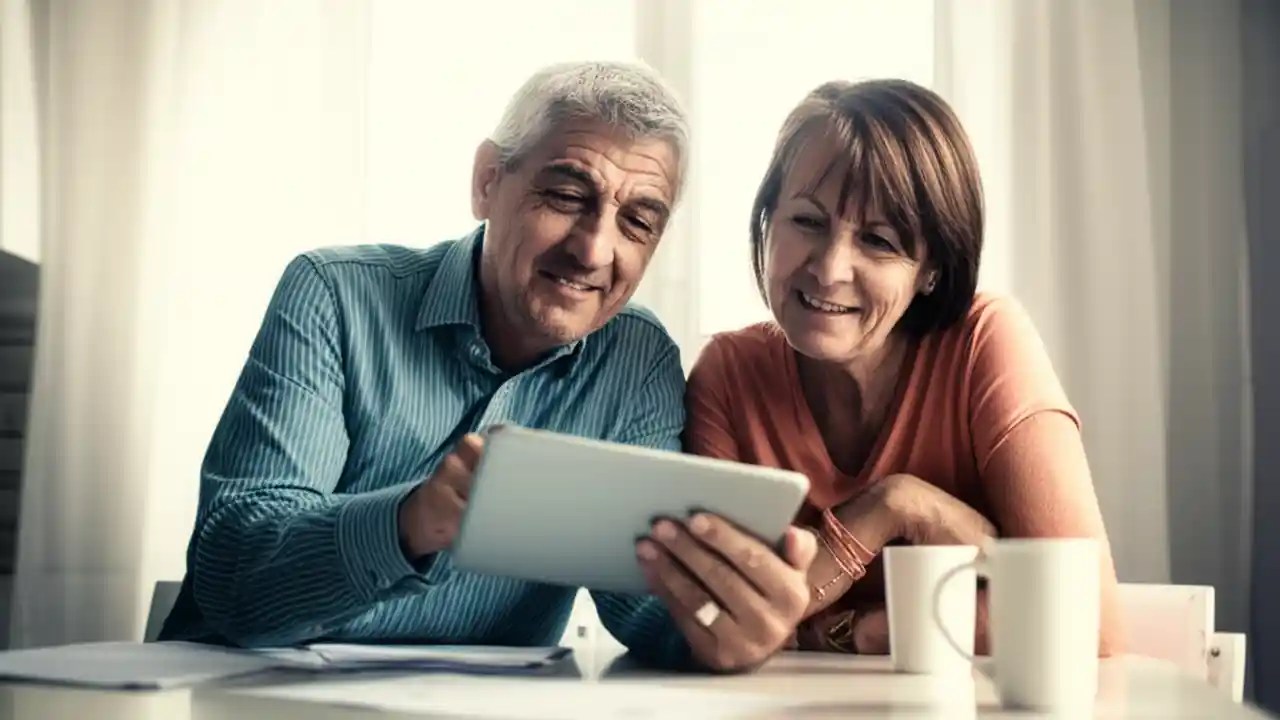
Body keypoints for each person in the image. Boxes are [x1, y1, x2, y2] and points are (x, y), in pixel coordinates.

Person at [159, 61, 816, 673]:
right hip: (239, 694)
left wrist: (720, 621)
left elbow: (639, 600)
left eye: (637, 222)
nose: (595, 250)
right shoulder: (333, 293)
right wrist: (409, 523)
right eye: (565, 195)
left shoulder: (636, 357)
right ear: (486, 182)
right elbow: (233, 577)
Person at [682, 79, 1123, 655]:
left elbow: (1087, 620)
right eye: (808, 222)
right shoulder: (729, 372)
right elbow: (722, 624)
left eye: (878, 240)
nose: (831, 268)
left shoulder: (984, 342)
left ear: (932, 270)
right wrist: (898, 519)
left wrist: (860, 608)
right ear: (768, 220)